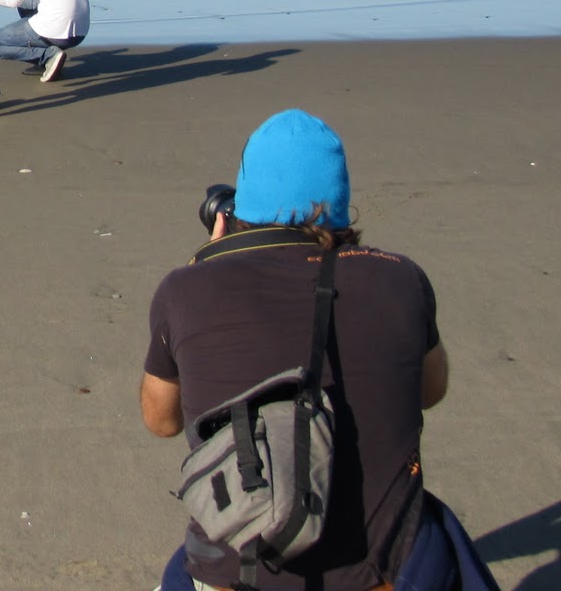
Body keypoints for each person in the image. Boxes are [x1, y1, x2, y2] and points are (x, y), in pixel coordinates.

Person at [141, 109, 463, 591]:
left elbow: (160, 419)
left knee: (191, 562)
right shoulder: (400, 278)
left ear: (235, 209)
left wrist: (206, 263)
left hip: (240, 575)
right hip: (379, 575)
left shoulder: (185, 289)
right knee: (439, 532)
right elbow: (431, 389)